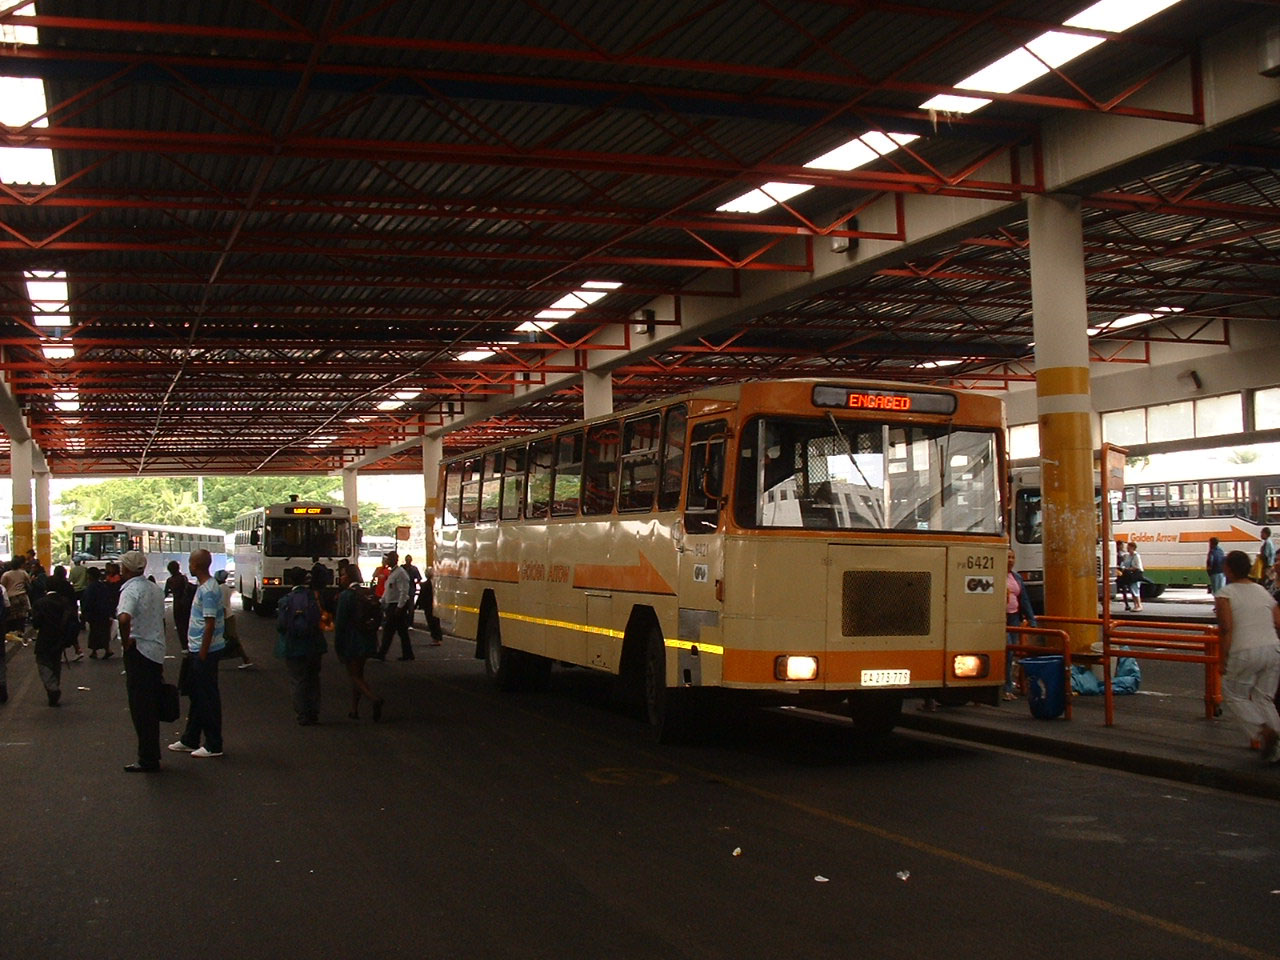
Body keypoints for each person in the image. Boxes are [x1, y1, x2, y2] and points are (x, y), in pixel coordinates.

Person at [1215, 550, 1280, 763]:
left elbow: (1226, 628)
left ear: (1228, 569)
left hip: (1244, 650)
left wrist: (1223, 658)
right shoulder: (1261, 590)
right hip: (1272, 649)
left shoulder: (1226, 593)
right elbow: (1277, 621)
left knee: (1234, 693)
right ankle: (1277, 749)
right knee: (1264, 697)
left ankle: (1262, 731)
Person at [169, 548, 225, 758]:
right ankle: (190, 738)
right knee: (197, 695)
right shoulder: (205, 587)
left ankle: (213, 744)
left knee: (207, 697)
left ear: (196, 566)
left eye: (191, 563)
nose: (189, 567)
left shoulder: (208, 590)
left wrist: (202, 652)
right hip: (200, 649)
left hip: (205, 652)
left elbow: (209, 623)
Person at [116, 550, 166, 773]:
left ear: (125, 569)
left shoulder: (131, 590)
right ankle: (151, 754)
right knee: (151, 706)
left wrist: (125, 641)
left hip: (139, 652)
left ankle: (147, 758)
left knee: (140, 708)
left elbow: (124, 617)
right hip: (155, 652)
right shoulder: (154, 589)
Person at [333, 566, 383, 721]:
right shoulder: (367, 593)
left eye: (342, 575)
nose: (340, 578)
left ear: (348, 577)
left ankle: (374, 698)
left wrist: (338, 645)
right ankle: (354, 709)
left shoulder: (346, 596)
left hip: (351, 640)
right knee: (359, 674)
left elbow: (340, 623)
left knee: (354, 675)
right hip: (367, 638)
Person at [275, 578, 326, 725]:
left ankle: (302, 714)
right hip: (314, 646)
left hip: (294, 647)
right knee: (314, 679)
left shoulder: (285, 600)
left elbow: (281, 626)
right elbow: (321, 619)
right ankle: (314, 711)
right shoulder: (313, 598)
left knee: (298, 680)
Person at [31, 585, 74, 706]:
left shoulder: (40, 603)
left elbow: (36, 623)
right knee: (56, 663)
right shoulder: (64, 602)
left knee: (43, 663)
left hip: (44, 638)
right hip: (60, 638)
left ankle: (52, 688)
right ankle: (54, 688)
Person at [1003, 551, 1037, 701]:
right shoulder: (996, 576)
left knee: (1012, 652)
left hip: (1014, 618)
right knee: (1007, 652)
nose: (1010, 560)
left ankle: (1008, 687)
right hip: (1001, 619)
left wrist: (1032, 619)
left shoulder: (1016, 577)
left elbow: (1024, 599)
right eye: (1007, 557)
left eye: (1012, 558)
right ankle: (1006, 688)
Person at [377, 551, 414, 661]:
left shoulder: (400, 573)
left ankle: (382, 653)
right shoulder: (392, 573)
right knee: (401, 632)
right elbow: (388, 590)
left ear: (395, 560)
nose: (387, 560)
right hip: (392, 605)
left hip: (397, 606)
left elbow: (404, 592)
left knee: (389, 630)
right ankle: (408, 654)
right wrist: (381, 601)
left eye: (389, 558)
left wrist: (399, 607)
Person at [46, 565, 83, 660]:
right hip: (70, 611)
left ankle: (60, 654)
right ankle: (78, 650)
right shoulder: (68, 585)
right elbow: (73, 599)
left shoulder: (55, 584)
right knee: (71, 632)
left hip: (59, 612)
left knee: (60, 632)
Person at [81, 567, 117, 658]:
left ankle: (94, 651)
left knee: (94, 632)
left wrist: (84, 612)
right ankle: (107, 649)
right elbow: (109, 599)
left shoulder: (90, 587)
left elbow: (87, 601)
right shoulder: (103, 586)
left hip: (94, 613)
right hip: (104, 613)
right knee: (104, 631)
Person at [165, 559, 194, 648]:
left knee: (180, 626)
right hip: (186, 604)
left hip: (177, 605)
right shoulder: (183, 578)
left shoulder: (170, 580)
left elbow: (165, 593)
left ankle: (184, 646)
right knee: (187, 624)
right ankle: (191, 643)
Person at [1, 556, 31, 638]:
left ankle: (12, 633)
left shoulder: (6, 575)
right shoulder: (23, 572)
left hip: (11, 597)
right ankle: (21, 632)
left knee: (12, 616)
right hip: (22, 596)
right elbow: (29, 582)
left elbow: (2, 586)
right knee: (22, 616)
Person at [1117, 541, 1144, 612]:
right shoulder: (1128, 556)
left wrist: (1128, 569)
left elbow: (1137, 566)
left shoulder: (1136, 556)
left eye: (1128, 547)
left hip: (1135, 575)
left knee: (1135, 589)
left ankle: (1139, 605)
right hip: (1130, 575)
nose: (1127, 548)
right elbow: (1124, 564)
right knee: (1132, 590)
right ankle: (1135, 605)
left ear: (1133, 548)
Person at [1258, 528, 1276, 593]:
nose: (1261, 535)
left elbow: (1266, 555)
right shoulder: (1268, 542)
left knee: (1268, 579)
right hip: (1269, 564)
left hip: (1268, 565)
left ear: (1266, 534)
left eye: (1262, 533)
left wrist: (1260, 557)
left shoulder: (1268, 543)